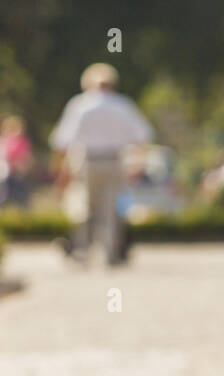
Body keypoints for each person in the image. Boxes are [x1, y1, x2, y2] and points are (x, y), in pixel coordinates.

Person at [48, 62, 153, 266]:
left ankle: (82, 250)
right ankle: (110, 254)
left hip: (89, 161)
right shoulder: (122, 105)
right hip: (114, 160)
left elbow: (62, 141)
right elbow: (143, 136)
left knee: (86, 206)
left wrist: (60, 171)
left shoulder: (80, 105)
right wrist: (138, 164)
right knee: (111, 209)